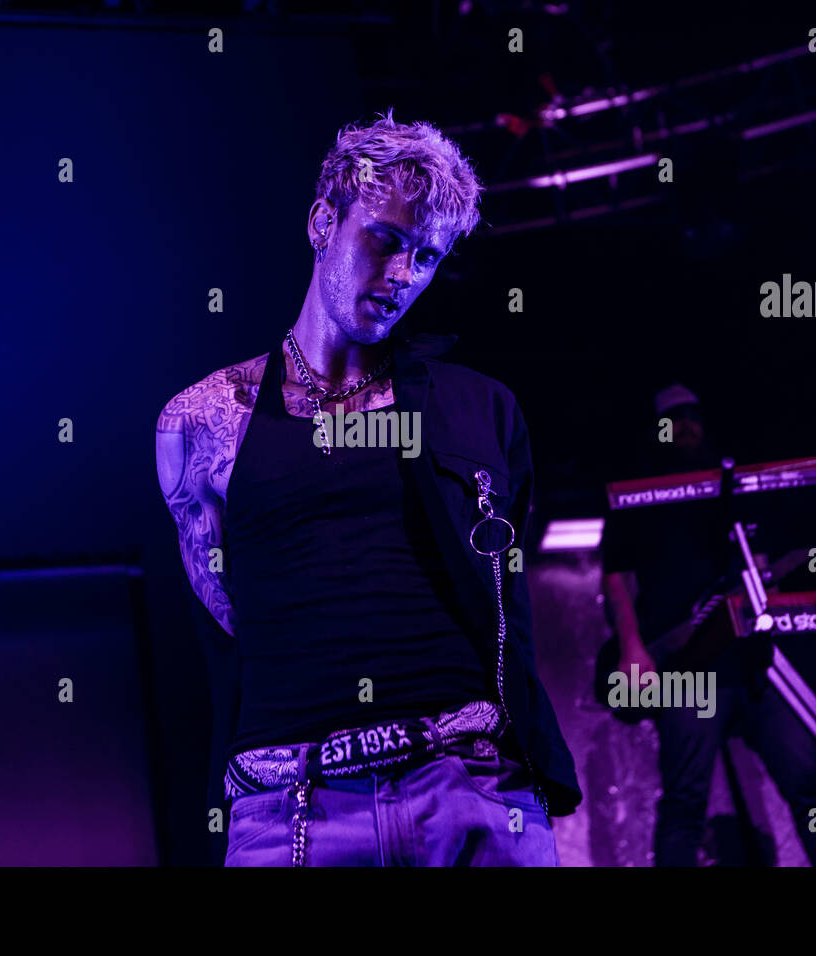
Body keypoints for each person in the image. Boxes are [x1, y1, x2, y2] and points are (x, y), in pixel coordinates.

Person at [154, 108, 580, 866]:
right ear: (324, 222)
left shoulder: (480, 408)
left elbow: (502, 602)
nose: (402, 277)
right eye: (384, 239)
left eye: (427, 256)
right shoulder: (201, 422)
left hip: (470, 786)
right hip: (291, 810)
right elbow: (226, 612)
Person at [601, 384, 816, 866]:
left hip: (755, 662)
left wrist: (769, 579)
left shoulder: (732, 483)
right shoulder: (639, 491)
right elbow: (614, 575)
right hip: (687, 671)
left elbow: (766, 558)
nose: (687, 425)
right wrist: (633, 647)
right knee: (685, 803)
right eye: (675, 417)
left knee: (810, 785)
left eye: (694, 415)